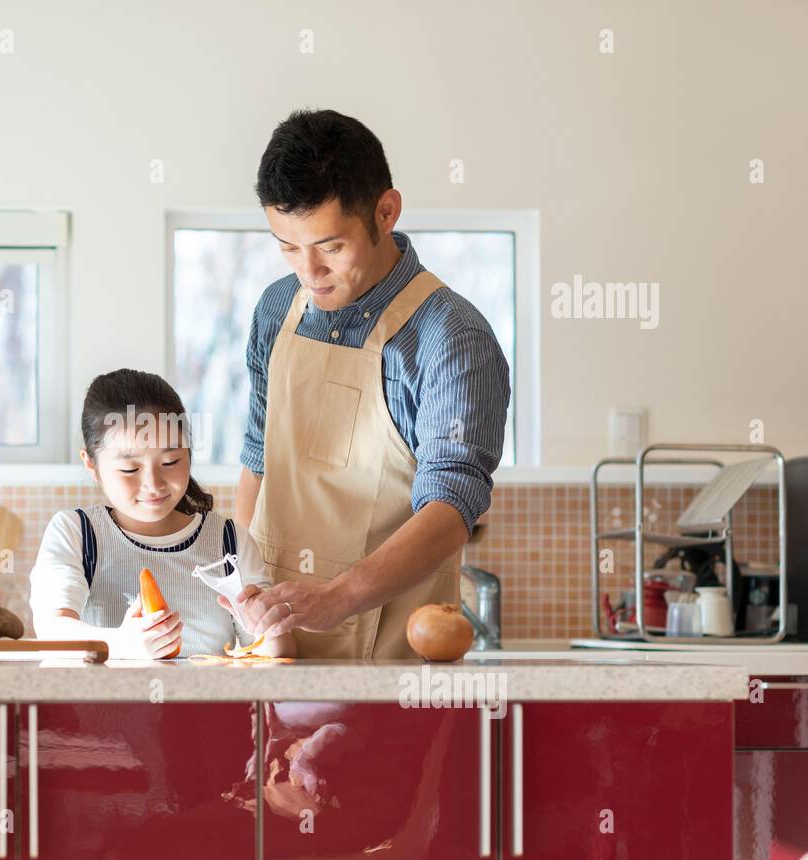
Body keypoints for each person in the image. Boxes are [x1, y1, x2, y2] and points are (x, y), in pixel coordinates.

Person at [234, 108, 511, 659]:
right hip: (271, 652)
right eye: (287, 247)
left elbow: (451, 510)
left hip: (389, 668)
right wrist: (248, 591)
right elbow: (257, 462)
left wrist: (336, 599)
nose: (308, 274)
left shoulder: (451, 338)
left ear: (386, 212)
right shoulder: (275, 309)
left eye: (331, 247)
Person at [29, 368, 281, 658]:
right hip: (103, 704)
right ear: (92, 465)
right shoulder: (77, 532)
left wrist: (270, 624)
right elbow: (52, 629)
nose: (153, 484)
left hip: (206, 703)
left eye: (171, 461)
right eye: (130, 469)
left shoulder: (229, 540)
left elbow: (274, 652)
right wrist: (123, 644)